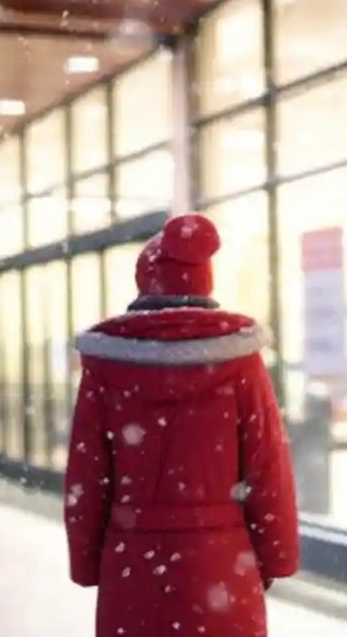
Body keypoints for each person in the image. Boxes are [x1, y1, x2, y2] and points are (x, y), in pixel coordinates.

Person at [65, 213, 299, 637]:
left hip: (132, 561)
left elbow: (88, 473)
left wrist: (87, 559)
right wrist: (276, 554)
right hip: (222, 564)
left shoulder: (106, 366)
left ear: (144, 284)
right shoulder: (240, 360)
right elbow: (267, 465)